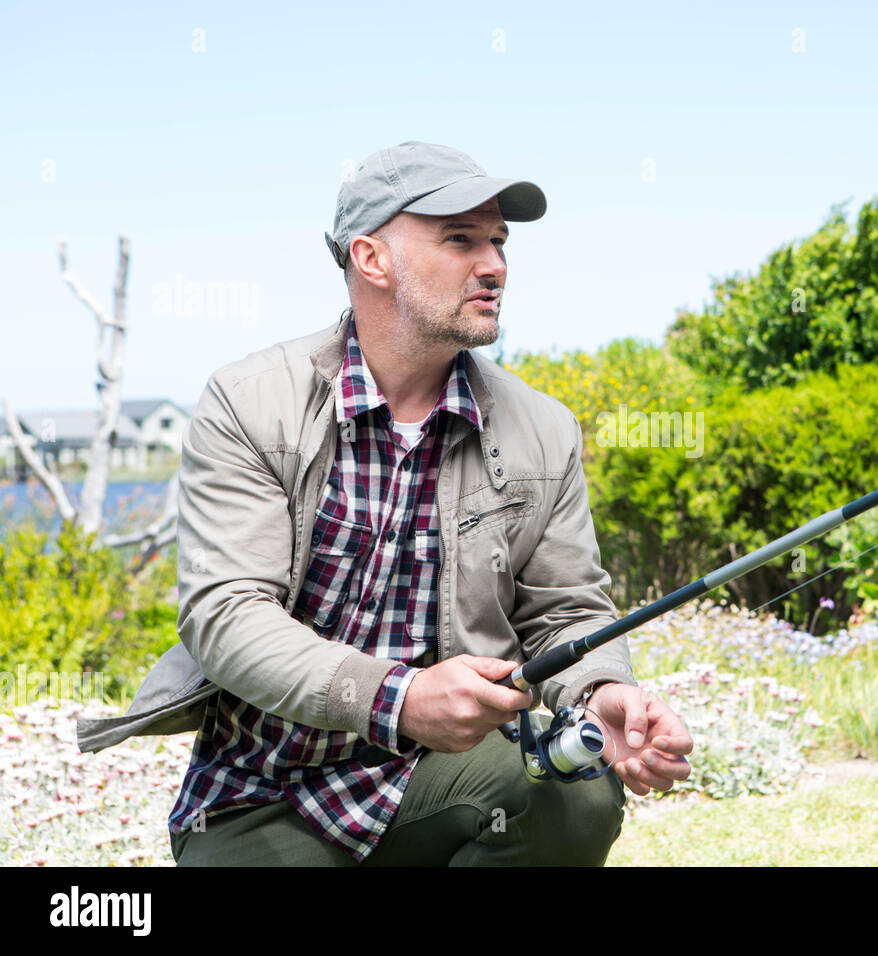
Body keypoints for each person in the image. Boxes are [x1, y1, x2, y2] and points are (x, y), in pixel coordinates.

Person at [163, 141, 693, 865]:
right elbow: (225, 615)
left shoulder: (544, 429)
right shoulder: (250, 403)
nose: (495, 265)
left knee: (577, 789)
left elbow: (568, 609)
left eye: (499, 242)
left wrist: (598, 691)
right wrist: (398, 698)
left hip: (442, 774)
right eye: (459, 239)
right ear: (370, 258)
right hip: (264, 795)